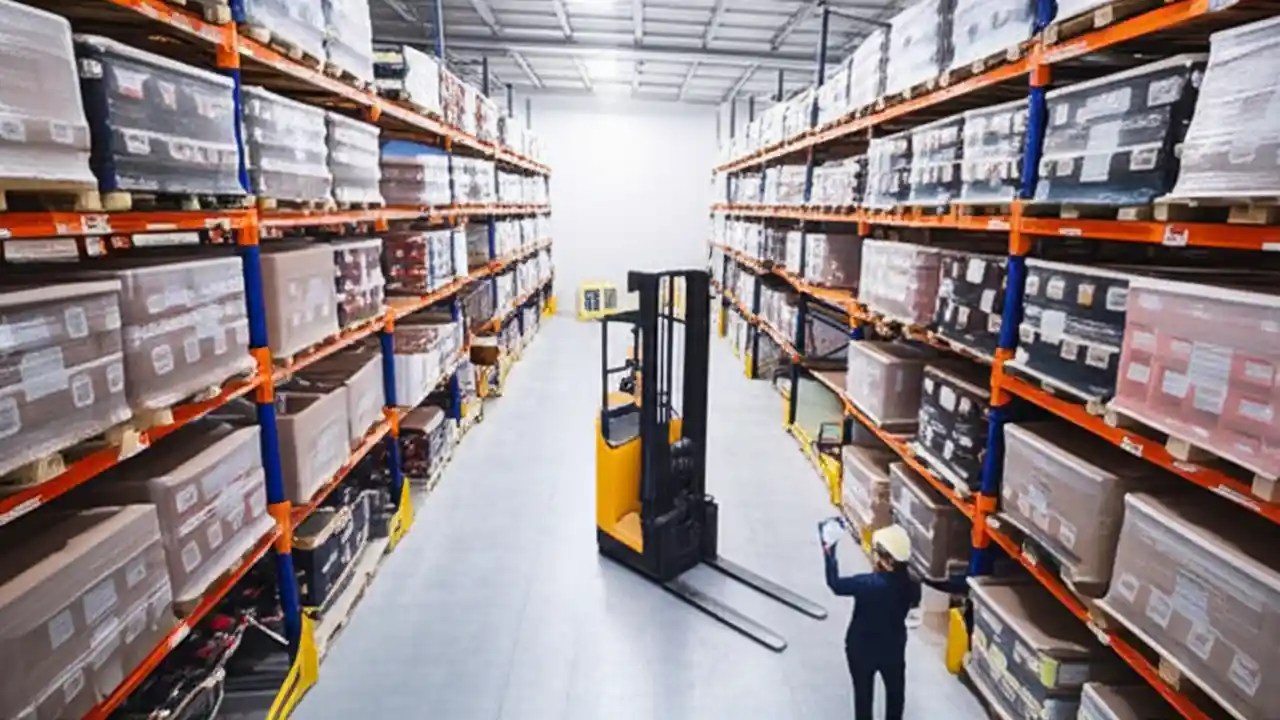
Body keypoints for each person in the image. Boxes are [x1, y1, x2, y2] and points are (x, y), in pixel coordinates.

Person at [823, 524, 921, 720]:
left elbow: (836, 584)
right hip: (893, 649)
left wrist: (829, 550)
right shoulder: (913, 583)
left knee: (863, 697)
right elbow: (912, 608)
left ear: (887, 559)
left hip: (861, 649)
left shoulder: (866, 584)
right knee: (895, 696)